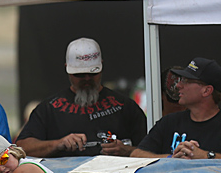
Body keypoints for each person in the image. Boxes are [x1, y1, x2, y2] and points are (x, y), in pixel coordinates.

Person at [16, 38, 146, 157]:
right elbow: (22, 147)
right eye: (80, 75)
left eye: (92, 73)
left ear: (101, 66)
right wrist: (58, 144)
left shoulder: (125, 107)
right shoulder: (48, 109)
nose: (87, 79)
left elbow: (152, 151)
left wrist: (127, 151)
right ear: (68, 70)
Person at [132, 58, 221, 160]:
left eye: (186, 81)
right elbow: (136, 155)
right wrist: (173, 159)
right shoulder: (169, 122)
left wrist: (206, 156)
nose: (178, 85)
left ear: (206, 91)